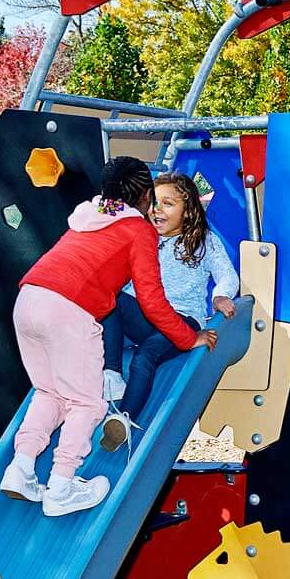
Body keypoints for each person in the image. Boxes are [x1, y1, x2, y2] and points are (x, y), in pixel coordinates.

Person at [4, 157, 216, 517]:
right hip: (68, 310)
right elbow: (150, 299)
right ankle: (61, 486)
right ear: (146, 195)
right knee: (87, 403)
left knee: (50, 392)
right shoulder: (139, 230)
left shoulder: (88, 214)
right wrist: (186, 336)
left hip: (29, 298)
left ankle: (21, 468)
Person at [99, 172, 239, 450]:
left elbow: (227, 275)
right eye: (153, 202)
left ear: (187, 212)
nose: (157, 210)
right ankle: (112, 373)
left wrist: (220, 295)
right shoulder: (143, 236)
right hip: (145, 315)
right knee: (109, 297)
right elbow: (106, 214)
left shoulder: (204, 241)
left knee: (145, 356)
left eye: (168, 203)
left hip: (182, 320)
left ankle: (124, 419)